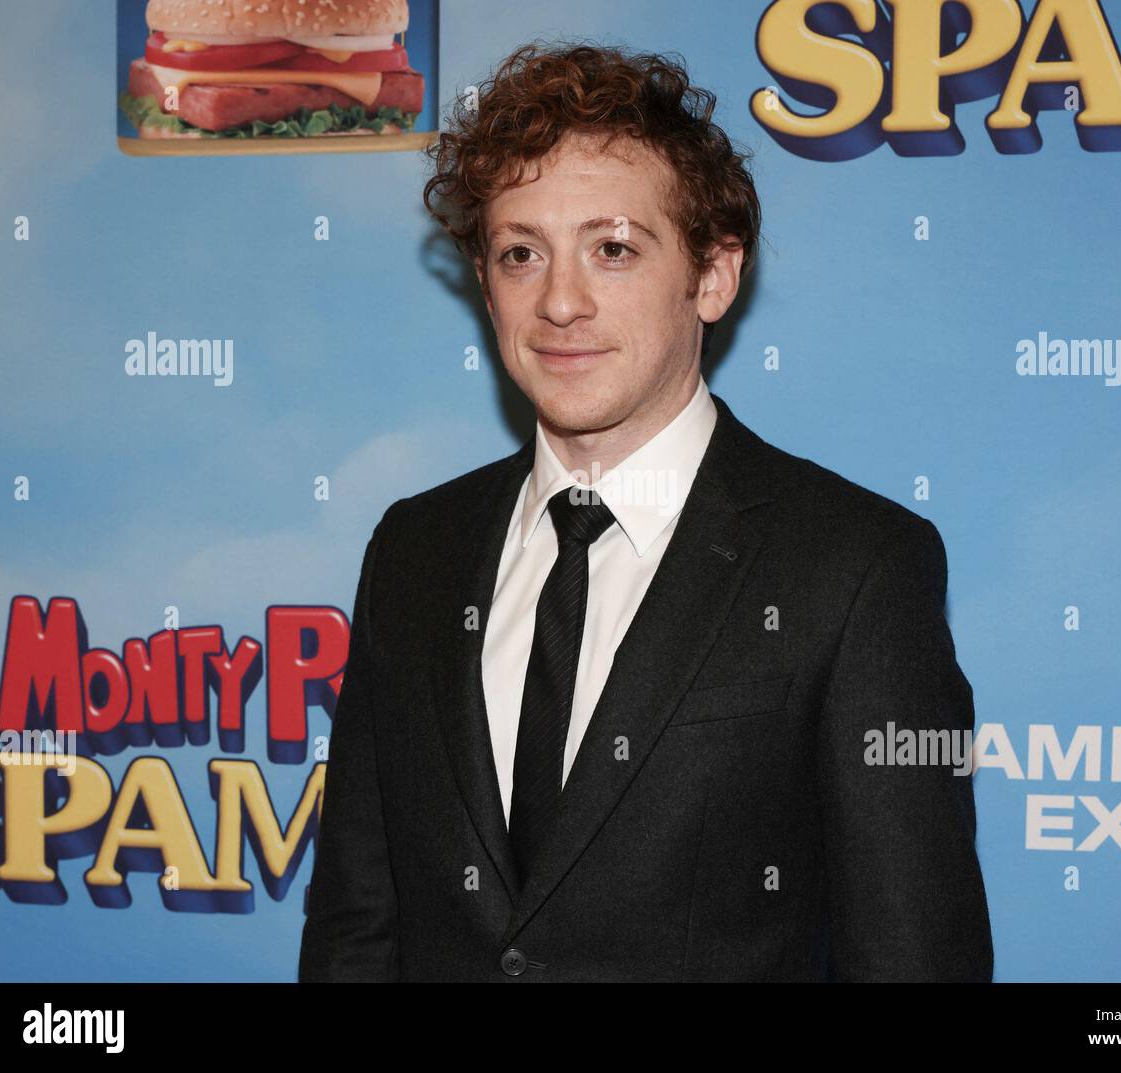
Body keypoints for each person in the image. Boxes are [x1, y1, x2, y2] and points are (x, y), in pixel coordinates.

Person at [298, 41, 993, 982]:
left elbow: (915, 956)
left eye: (614, 249)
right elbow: (355, 924)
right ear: (486, 285)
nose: (560, 303)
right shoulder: (414, 550)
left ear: (714, 275)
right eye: (521, 253)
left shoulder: (856, 566)